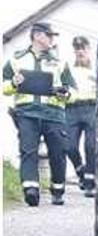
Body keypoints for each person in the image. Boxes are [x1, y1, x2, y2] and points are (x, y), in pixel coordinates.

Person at [2, 22, 74, 206]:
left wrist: (65, 93)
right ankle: (31, 190)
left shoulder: (60, 62)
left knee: (58, 153)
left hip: (54, 114)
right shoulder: (16, 59)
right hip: (27, 113)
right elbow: (3, 86)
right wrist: (14, 84)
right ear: (37, 36)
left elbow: (73, 90)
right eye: (49, 35)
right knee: (28, 151)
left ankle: (58, 190)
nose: (51, 39)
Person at [66, 35, 96, 197]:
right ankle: (81, 172)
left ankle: (90, 183)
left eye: (83, 48)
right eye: (77, 48)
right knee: (69, 146)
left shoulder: (96, 70)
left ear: (89, 50)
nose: (80, 51)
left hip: (91, 108)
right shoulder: (67, 70)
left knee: (91, 146)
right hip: (71, 109)